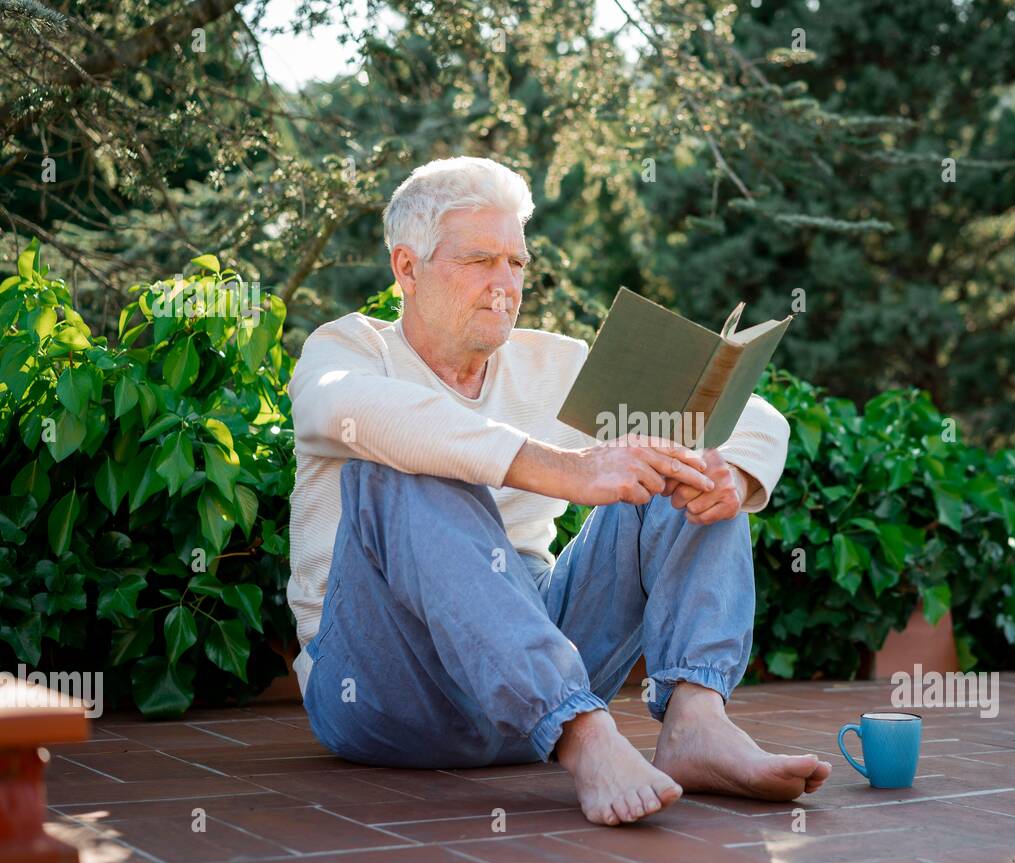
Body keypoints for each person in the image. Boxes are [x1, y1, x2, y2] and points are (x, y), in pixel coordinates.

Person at [287, 156, 831, 827]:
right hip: (385, 692)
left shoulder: (555, 362)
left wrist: (732, 472)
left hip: (533, 671)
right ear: (407, 268)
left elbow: (753, 417)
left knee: (685, 449)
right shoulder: (346, 352)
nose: (505, 285)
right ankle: (585, 739)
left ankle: (696, 720)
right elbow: (357, 413)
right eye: (480, 260)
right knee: (393, 465)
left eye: (516, 263)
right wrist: (566, 468)